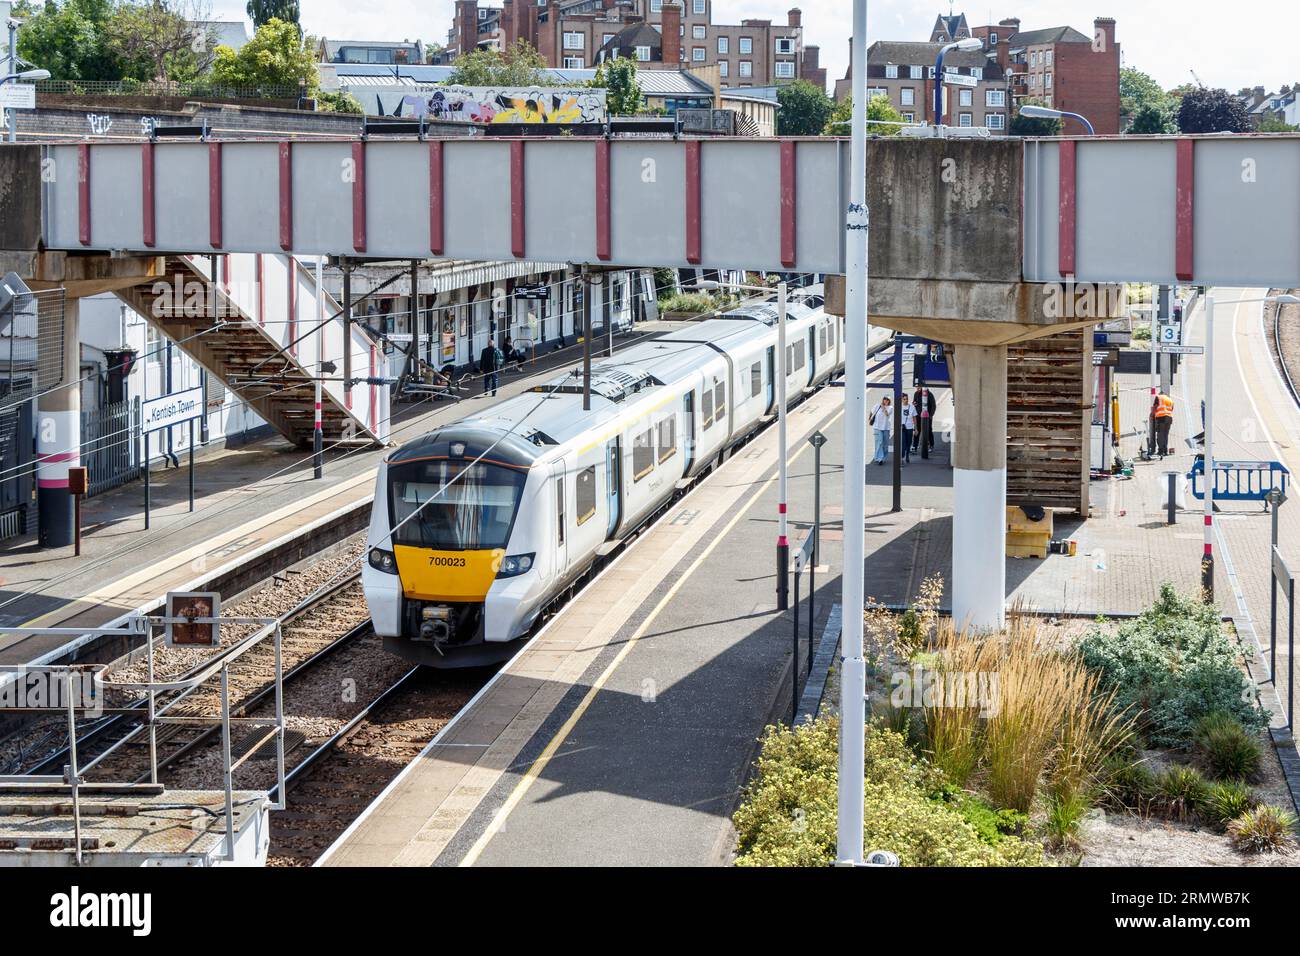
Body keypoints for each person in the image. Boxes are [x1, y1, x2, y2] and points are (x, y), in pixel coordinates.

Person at [870, 395, 892, 466]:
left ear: (889, 401)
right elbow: (871, 411)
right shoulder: (877, 406)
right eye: (884, 399)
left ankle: (882, 457)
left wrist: (883, 407)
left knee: (885, 444)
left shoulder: (890, 408)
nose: (885, 400)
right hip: (877, 427)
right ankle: (880, 458)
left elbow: (887, 414)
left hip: (886, 428)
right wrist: (870, 418)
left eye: (887, 399)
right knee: (879, 442)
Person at [1153, 391, 1175, 457]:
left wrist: (1152, 414)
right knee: (1165, 435)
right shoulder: (1170, 400)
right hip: (1169, 418)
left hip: (1161, 418)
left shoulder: (1158, 397)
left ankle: (1160, 451)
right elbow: (1172, 409)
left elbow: (1156, 406)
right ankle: (1165, 451)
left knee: (1160, 435)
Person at [899, 393, 915, 466]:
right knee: (903, 443)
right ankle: (902, 458)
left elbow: (914, 418)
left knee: (909, 443)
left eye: (907, 399)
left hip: (910, 427)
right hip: (902, 427)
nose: (906, 400)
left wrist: (916, 428)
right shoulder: (899, 407)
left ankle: (907, 455)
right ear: (902, 399)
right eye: (904, 399)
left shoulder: (912, 407)